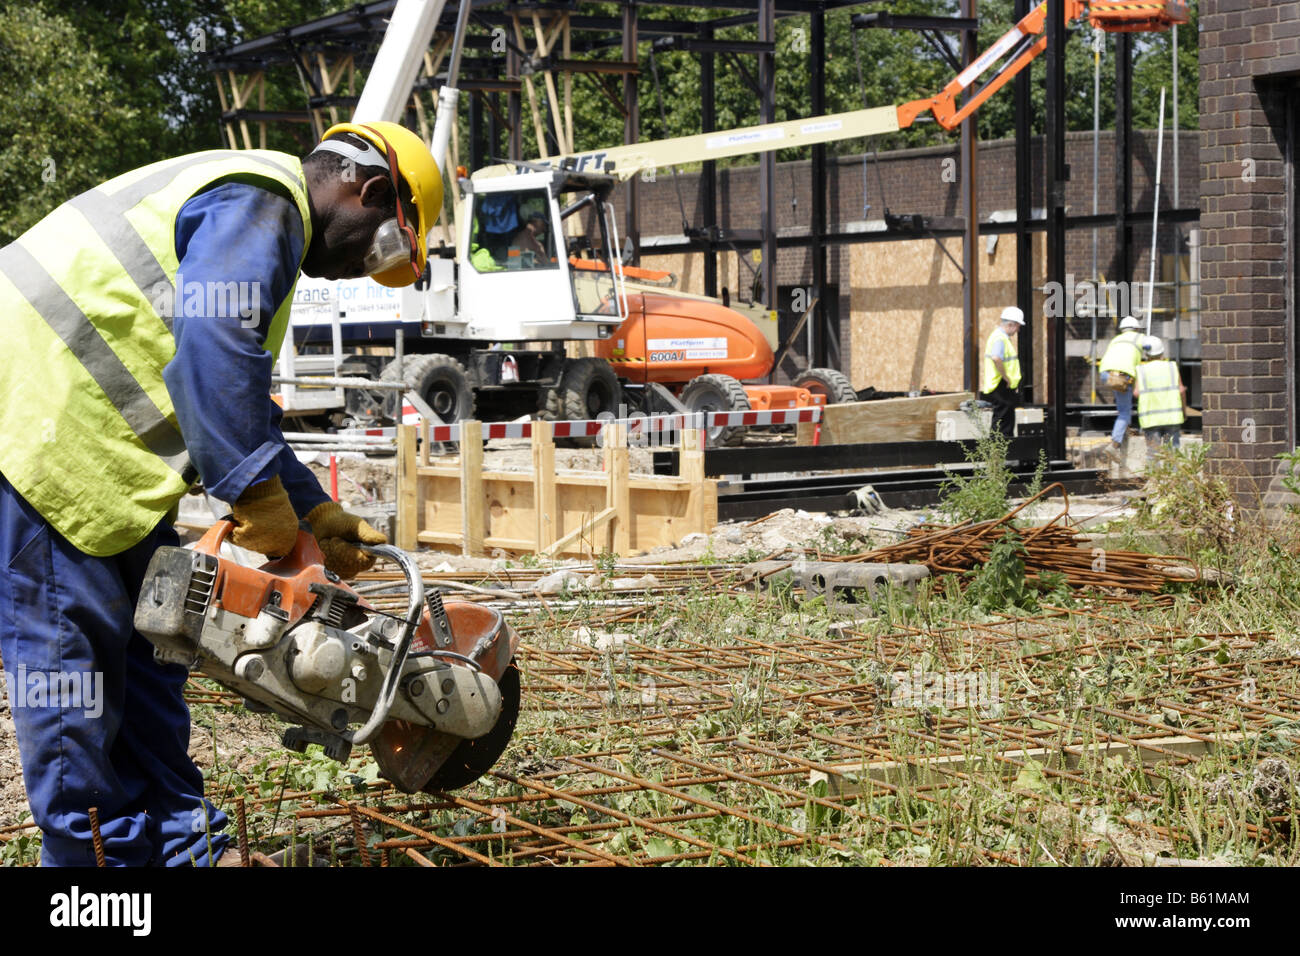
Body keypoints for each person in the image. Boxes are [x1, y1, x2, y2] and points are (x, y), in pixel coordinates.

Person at [0, 120, 442, 866]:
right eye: (381, 248)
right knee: (68, 669)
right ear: (367, 191)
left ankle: (181, 848)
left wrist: (310, 511)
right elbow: (212, 351)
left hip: (95, 457)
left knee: (151, 651)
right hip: (36, 435)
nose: (359, 271)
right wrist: (252, 494)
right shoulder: (258, 202)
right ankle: (89, 873)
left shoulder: (257, 222)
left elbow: (235, 399)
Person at [1098, 315, 1145, 460]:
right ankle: (1115, 444)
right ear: (1136, 328)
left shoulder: (1115, 339)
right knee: (1125, 411)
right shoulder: (1140, 338)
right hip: (1123, 375)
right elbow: (1153, 352)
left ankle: (1125, 432)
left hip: (1106, 373)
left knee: (1124, 406)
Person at [1134, 335, 1185, 451]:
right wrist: (1184, 411)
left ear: (1146, 354)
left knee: (1153, 454)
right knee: (1171, 453)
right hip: (1172, 419)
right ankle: (1172, 470)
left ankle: (1154, 470)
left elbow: (1136, 393)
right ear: (1162, 351)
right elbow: (1181, 390)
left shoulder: (1141, 370)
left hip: (1150, 421)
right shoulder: (1172, 367)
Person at [981, 305, 1025, 437]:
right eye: (1018, 326)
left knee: (1004, 419)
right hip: (1001, 385)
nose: (1018, 329)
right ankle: (1001, 452)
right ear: (1011, 324)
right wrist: (1006, 377)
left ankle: (1001, 451)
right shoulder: (1000, 338)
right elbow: (996, 358)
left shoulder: (1000, 337)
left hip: (1002, 386)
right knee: (1003, 422)